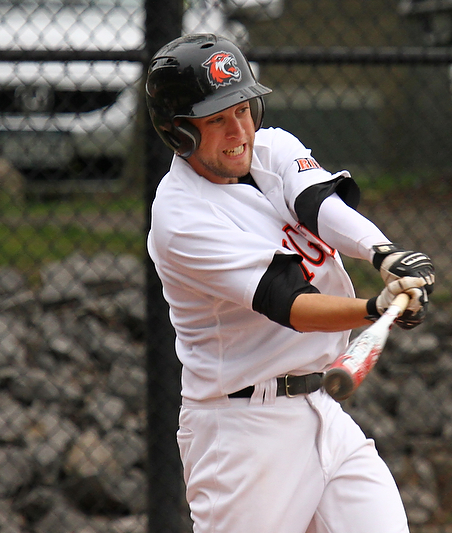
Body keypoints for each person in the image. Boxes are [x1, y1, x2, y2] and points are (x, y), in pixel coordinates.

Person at [144, 33, 436, 533]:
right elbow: (290, 303)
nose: (239, 129)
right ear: (179, 133)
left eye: (242, 109)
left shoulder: (270, 147)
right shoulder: (180, 218)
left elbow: (320, 206)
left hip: (321, 409)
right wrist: (373, 307)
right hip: (241, 435)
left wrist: (383, 254)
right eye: (217, 119)